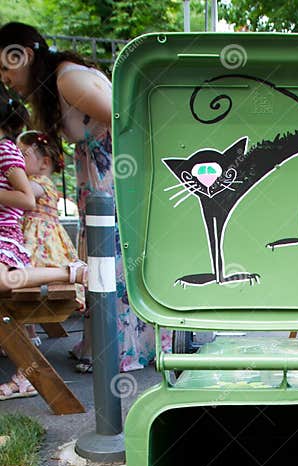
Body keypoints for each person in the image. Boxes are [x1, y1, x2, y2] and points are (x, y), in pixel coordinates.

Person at [0, 22, 170, 374]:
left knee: (114, 263)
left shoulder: (68, 79)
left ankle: (122, 350)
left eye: (5, 66)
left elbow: (133, 121)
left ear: (25, 56)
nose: (4, 78)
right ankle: (110, 345)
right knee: (106, 262)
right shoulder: (59, 83)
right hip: (100, 180)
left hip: (115, 180)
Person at [0, 87, 87, 399]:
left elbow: (27, 198)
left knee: (13, 295)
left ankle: (27, 368)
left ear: (45, 161)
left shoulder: (40, 184)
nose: (21, 163)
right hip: (28, 244)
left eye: (27, 156)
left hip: (34, 245)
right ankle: (25, 357)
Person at [18, 130, 85, 310]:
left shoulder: (39, 181)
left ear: (45, 162)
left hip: (39, 240)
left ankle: (30, 327)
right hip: (37, 235)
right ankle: (29, 328)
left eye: (22, 154)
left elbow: (26, 194)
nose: (16, 159)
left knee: (26, 272)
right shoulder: (36, 180)